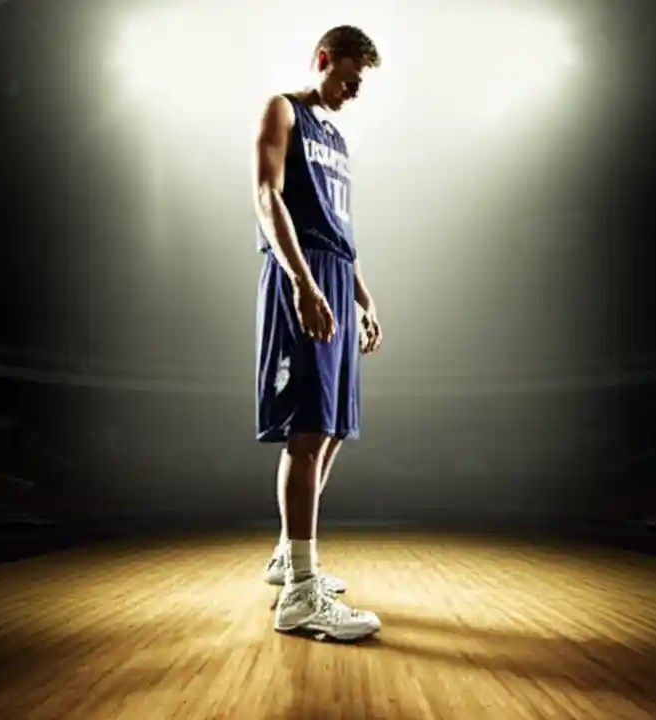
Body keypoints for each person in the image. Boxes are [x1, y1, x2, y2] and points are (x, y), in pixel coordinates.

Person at [252, 25, 384, 641]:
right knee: (307, 430)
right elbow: (266, 196)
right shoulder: (285, 109)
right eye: (349, 80)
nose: (354, 94)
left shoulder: (337, 136)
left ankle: (289, 555)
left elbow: (339, 226)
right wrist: (304, 283)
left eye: (361, 86)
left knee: (332, 432)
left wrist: (362, 298)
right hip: (299, 269)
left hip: (334, 272)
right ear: (324, 59)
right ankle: (302, 595)